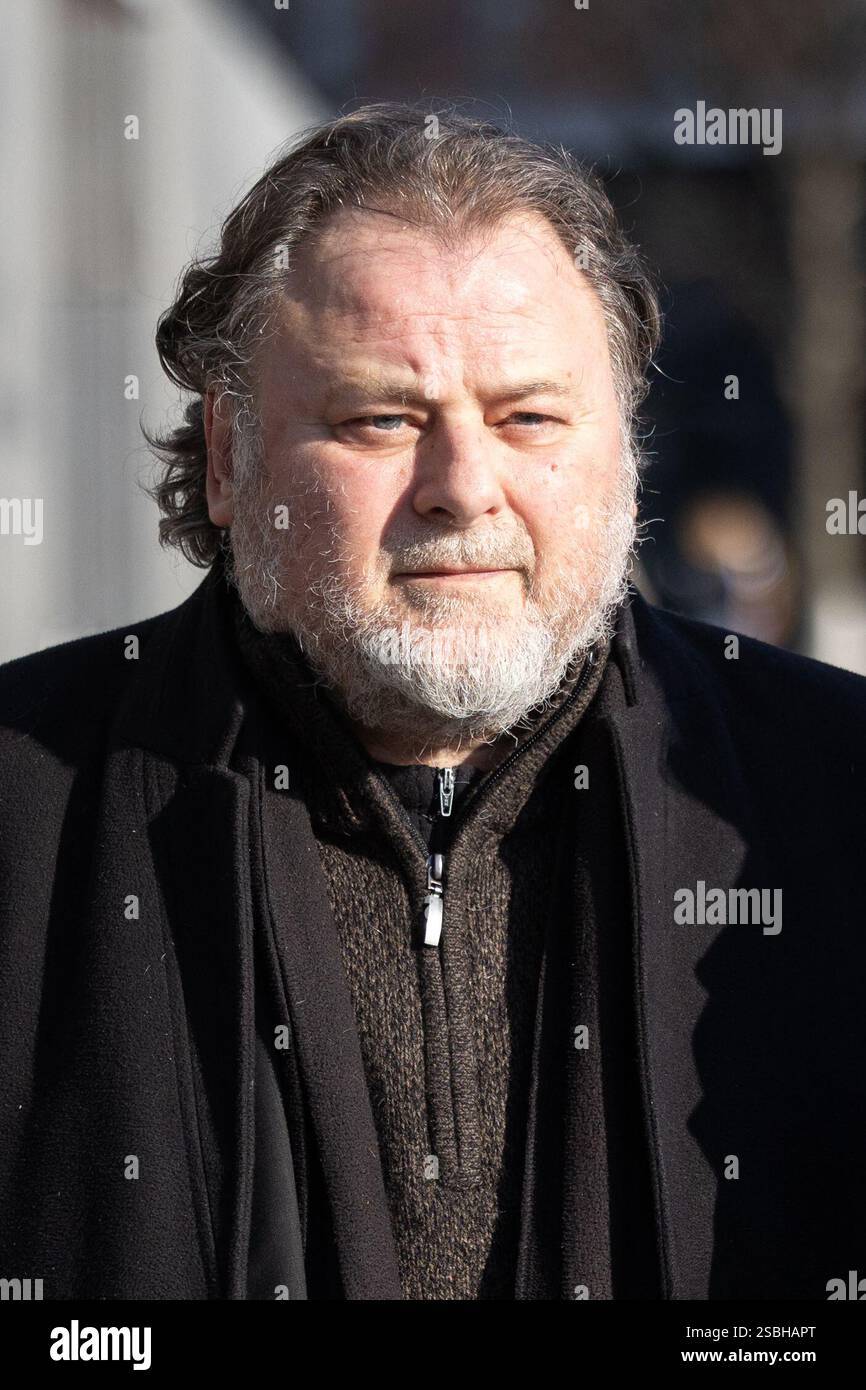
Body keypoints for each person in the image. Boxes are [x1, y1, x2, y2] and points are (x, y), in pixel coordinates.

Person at [1, 102, 864, 1302]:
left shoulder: (829, 797)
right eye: (380, 420)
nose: (462, 488)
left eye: (528, 418)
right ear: (226, 458)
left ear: (622, 447)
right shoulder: (25, 801)